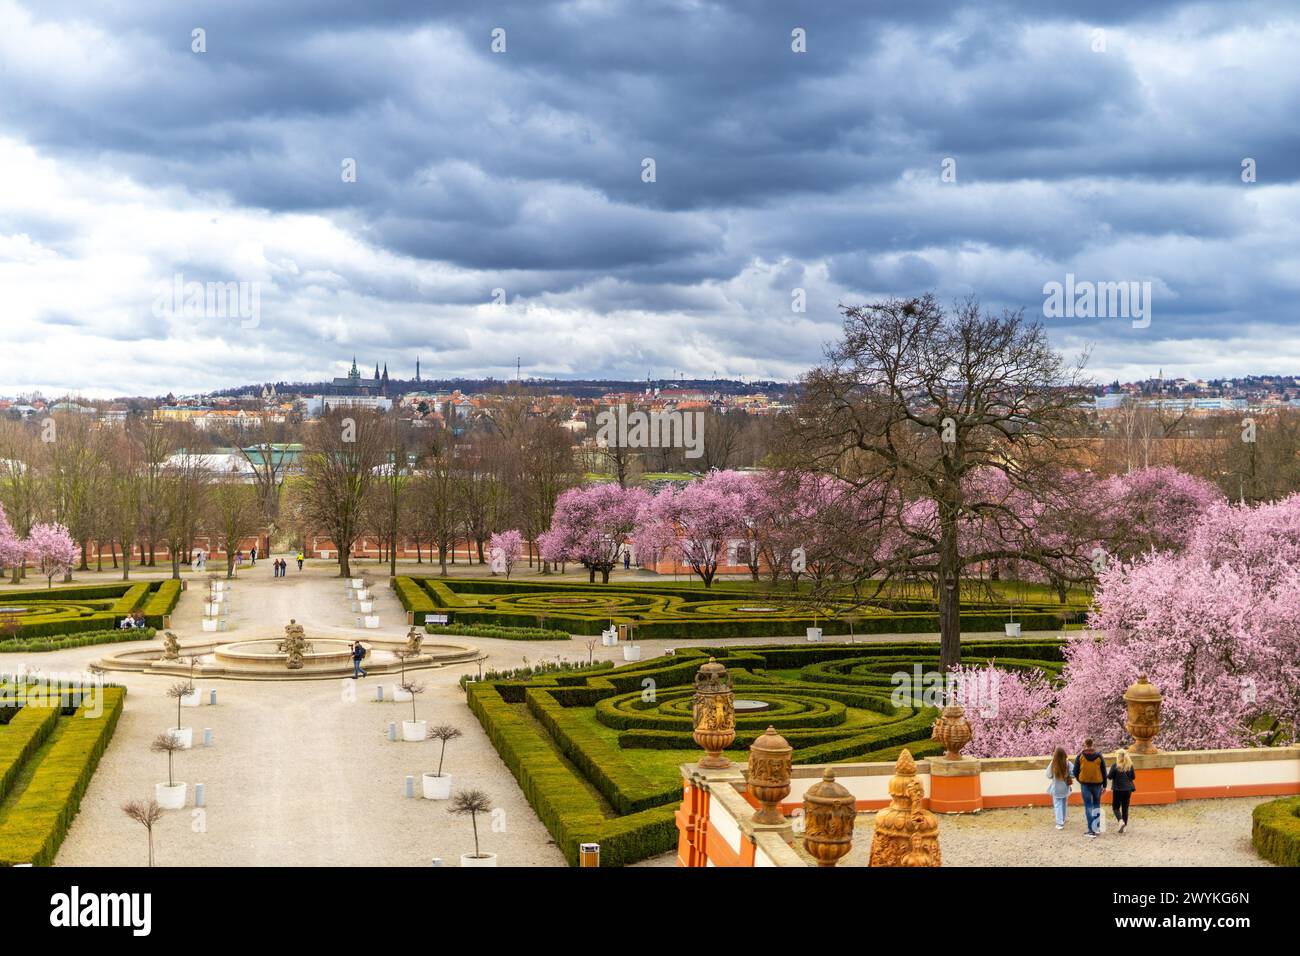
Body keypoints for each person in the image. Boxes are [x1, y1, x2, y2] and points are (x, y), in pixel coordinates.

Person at [1072, 738, 1108, 838]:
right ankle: (1097, 828)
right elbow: (1104, 772)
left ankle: (1091, 831)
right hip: (1097, 784)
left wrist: (1081, 780)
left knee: (1088, 806)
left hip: (1085, 784)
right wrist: (1104, 785)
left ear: (1085, 744)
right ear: (1093, 744)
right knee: (1097, 804)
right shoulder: (1099, 756)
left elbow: (1075, 771)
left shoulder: (1080, 756)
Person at [1109, 748, 1137, 834]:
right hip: (1128, 789)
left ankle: (1120, 821)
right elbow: (1133, 777)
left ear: (1118, 756)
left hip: (1117, 789)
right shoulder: (1129, 766)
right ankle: (1125, 826)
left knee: (1115, 807)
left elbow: (1109, 776)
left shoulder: (1115, 766)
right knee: (1125, 808)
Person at [1046, 746, 1074, 830]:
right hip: (1065, 787)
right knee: (1064, 803)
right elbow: (1073, 774)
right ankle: (1063, 819)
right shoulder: (1068, 763)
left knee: (1058, 804)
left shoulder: (1053, 763)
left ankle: (1059, 823)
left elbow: (1048, 775)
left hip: (1056, 787)